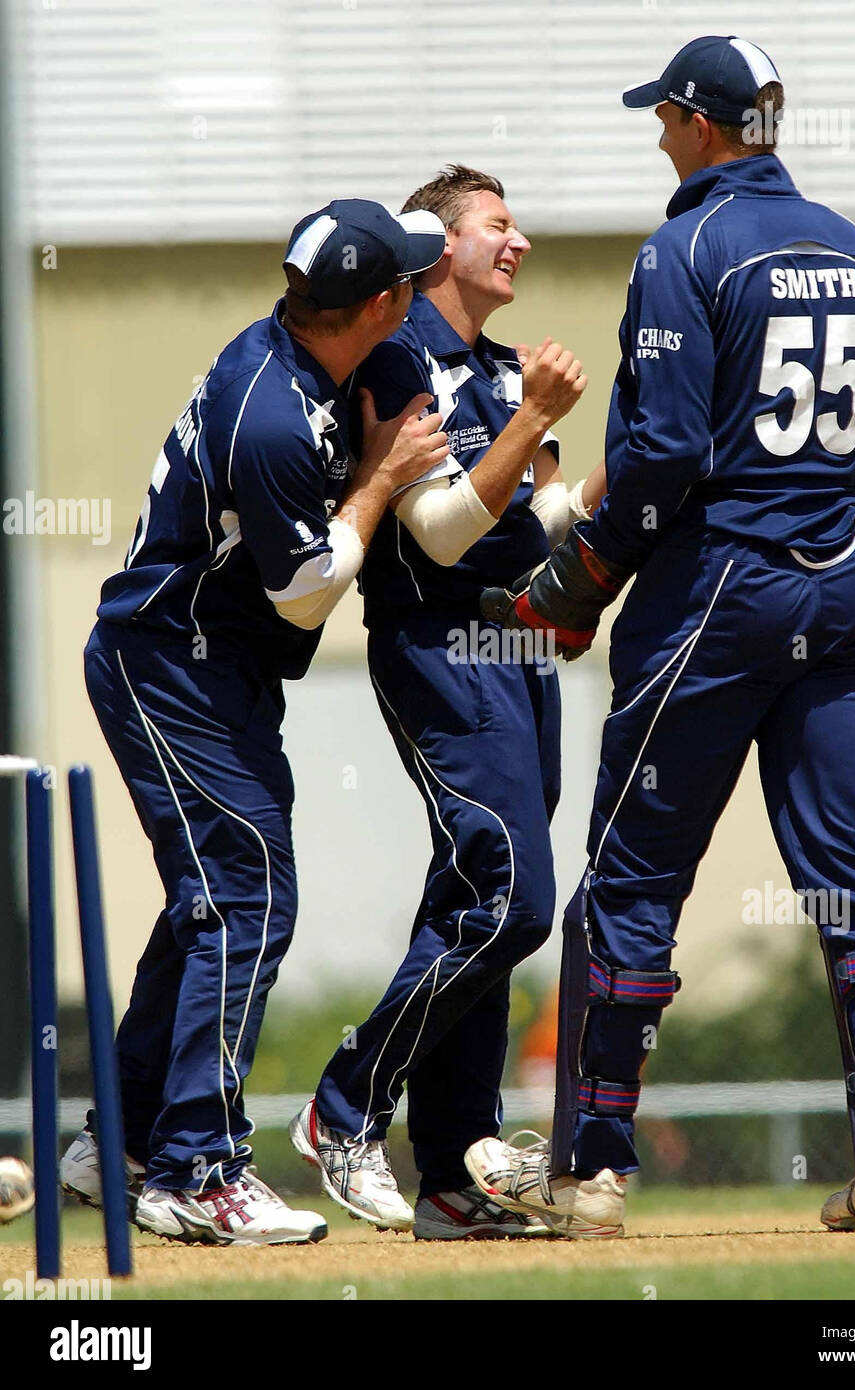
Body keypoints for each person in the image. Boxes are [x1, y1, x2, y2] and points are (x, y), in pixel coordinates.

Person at [464, 36, 855, 1239]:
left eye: (663, 117)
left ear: (698, 121)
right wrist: (805, 508)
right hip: (839, 592)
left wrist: (579, 578)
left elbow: (664, 457)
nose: (656, 134)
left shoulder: (682, 248)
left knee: (627, 881)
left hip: (717, 596)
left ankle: (590, 1171)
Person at [59, 199, 449, 1245]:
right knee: (248, 891)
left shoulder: (306, 355)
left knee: (210, 898)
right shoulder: (272, 414)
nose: (417, 297)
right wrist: (376, 482)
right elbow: (306, 591)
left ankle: (125, 1137)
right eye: (408, 283)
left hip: (210, 671)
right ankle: (198, 1166)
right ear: (375, 303)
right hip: (168, 664)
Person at [289, 166, 603, 1240]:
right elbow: (439, 531)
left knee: (480, 897)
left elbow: (537, 516)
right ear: (442, 243)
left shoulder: (501, 363)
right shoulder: (398, 356)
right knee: (513, 896)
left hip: (514, 646)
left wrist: (632, 461)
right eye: (497, 227)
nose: (518, 242)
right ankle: (344, 1100)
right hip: (440, 643)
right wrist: (537, 418)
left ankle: (455, 1170)